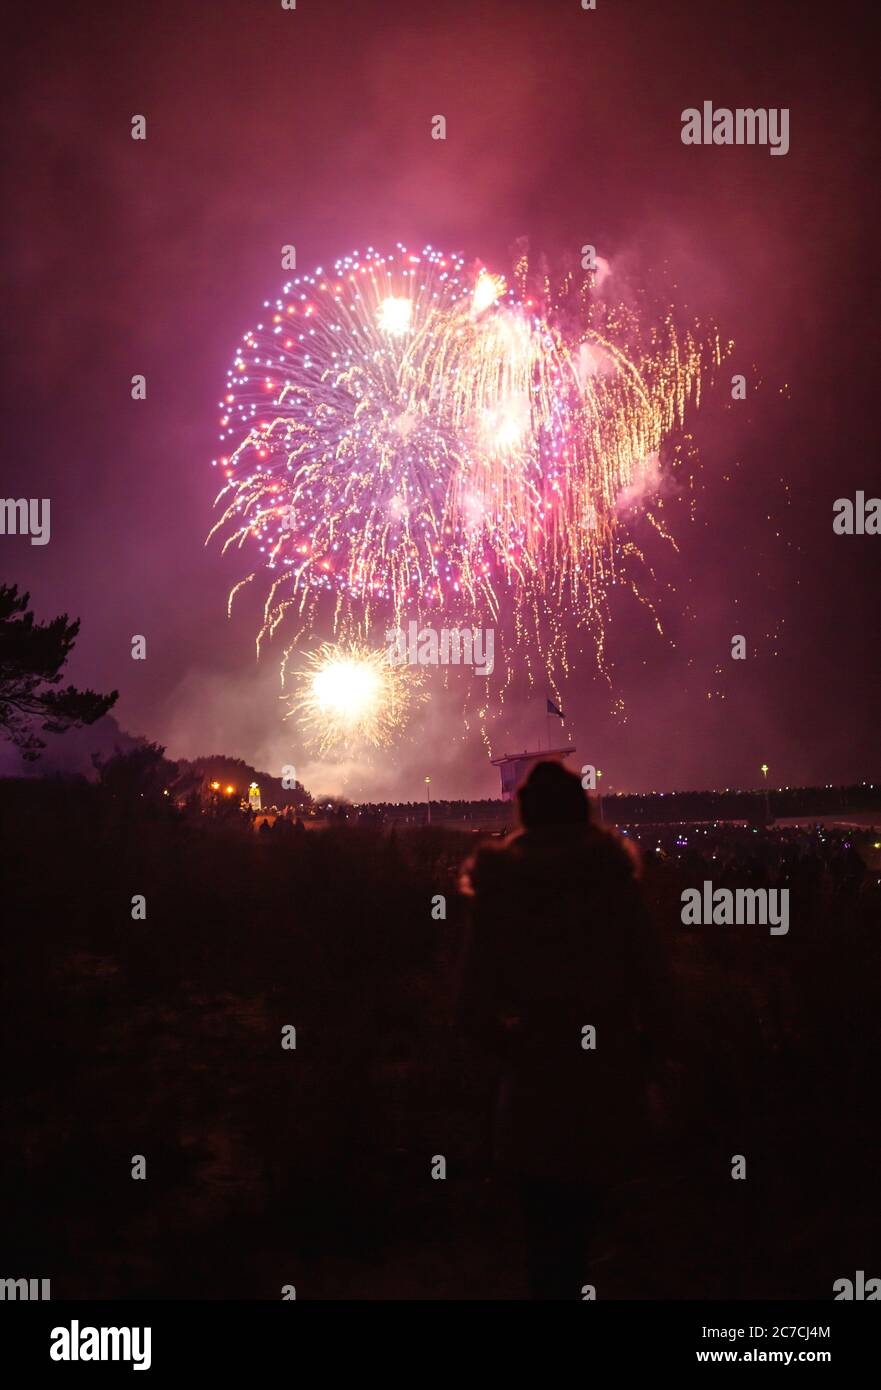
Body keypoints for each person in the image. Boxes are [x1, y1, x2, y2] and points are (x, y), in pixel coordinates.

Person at [459, 760, 669, 1300]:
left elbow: (472, 1008)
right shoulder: (615, 883)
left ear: (523, 813)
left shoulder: (500, 889)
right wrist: (646, 1060)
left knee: (543, 1235)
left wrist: (519, 1051)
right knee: (595, 1225)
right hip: (609, 1077)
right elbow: (659, 992)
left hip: (533, 1080)